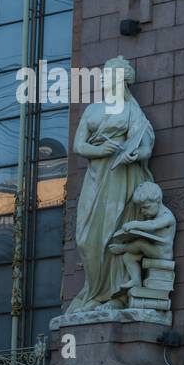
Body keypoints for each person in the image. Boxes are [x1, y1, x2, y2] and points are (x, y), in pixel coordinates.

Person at [68, 56, 155, 312]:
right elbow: (78, 146)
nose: (105, 79)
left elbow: (146, 146)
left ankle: (113, 294)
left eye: (110, 75)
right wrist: (102, 150)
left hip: (122, 177)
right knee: (86, 237)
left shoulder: (132, 111)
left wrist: (135, 154)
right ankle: (94, 290)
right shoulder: (93, 109)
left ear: (123, 79)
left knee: (113, 231)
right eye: (104, 74)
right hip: (96, 176)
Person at [107, 181, 175, 295]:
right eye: (141, 208)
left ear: (158, 201)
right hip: (153, 249)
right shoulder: (154, 215)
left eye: (146, 207)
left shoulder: (167, 216)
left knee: (140, 243)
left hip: (163, 253)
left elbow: (153, 225)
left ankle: (123, 248)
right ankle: (136, 280)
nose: (143, 211)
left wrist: (135, 224)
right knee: (129, 257)